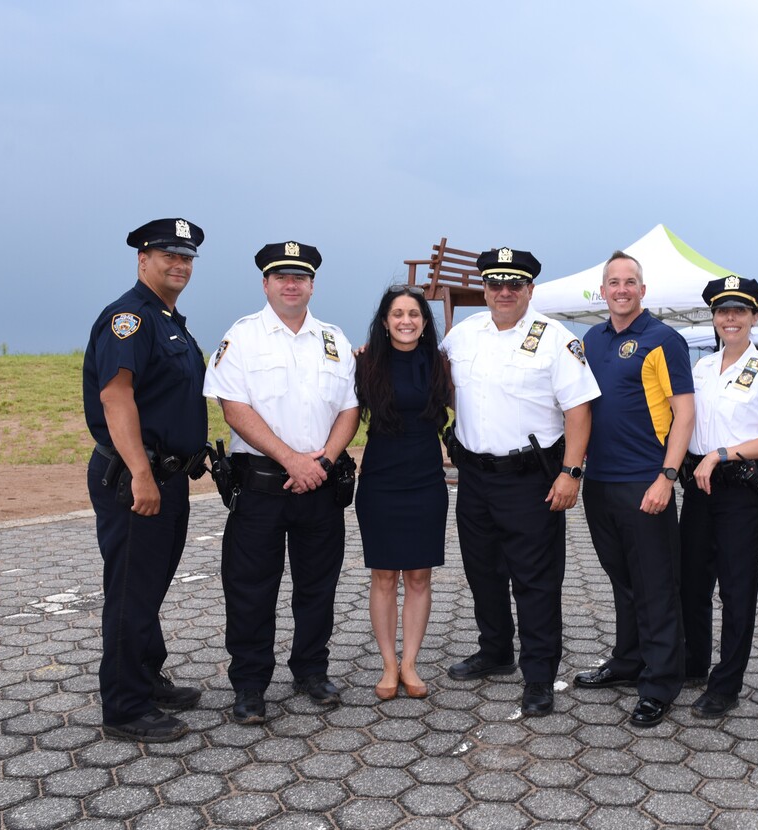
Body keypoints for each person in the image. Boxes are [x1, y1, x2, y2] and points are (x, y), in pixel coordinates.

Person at [203, 241, 359, 724]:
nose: (291, 284)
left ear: (312, 284)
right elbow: (234, 409)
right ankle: (250, 684)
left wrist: (324, 462)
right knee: (251, 590)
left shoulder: (332, 339)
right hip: (261, 488)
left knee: (318, 588)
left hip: (319, 487)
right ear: (266, 283)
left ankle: (311, 670)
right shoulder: (243, 338)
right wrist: (293, 460)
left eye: (300, 277)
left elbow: (350, 409)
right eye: (281, 277)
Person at [441, 246, 600, 717]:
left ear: (530, 289)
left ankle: (539, 674)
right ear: (484, 289)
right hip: (473, 476)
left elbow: (578, 410)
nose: (504, 292)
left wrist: (572, 472)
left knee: (535, 581)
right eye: (495, 284)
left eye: (515, 285)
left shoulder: (555, 338)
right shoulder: (461, 336)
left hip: (532, 479)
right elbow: (433, 382)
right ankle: (495, 651)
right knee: (482, 572)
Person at [83, 218, 209, 742]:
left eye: (186, 258)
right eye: (167, 256)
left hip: (166, 475)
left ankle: (146, 676)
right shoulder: (129, 319)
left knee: (149, 587)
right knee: (131, 591)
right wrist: (140, 474)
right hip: (135, 477)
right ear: (142, 259)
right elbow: (116, 397)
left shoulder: (167, 320)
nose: (178, 265)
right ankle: (125, 707)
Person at [573, 251, 694, 728]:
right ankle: (627, 661)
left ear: (643, 290)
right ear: (602, 291)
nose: (621, 289)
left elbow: (684, 413)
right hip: (599, 482)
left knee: (657, 586)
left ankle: (661, 683)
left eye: (630, 282)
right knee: (623, 581)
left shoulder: (664, 340)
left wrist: (667, 476)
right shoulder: (591, 339)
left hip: (646, 482)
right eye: (613, 282)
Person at [679, 276, 758, 719]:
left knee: (736, 590)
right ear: (713, 317)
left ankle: (725, 684)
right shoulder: (701, 368)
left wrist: (721, 454)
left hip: (741, 492)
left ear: (753, 318)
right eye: (723, 311)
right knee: (691, 583)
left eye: (740, 311)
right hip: (698, 487)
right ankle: (692, 666)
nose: (730, 318)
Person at [355, 285, 449, 700]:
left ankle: (410, 663)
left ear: (425, 322)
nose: (406, 320)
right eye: (397, 314)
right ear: (384, 320)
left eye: (414, 313)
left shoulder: (441, 363)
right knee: (383, 575)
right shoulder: (365, 363)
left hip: (426, 478)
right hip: (380, 479)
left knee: (418, 575)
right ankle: (388, 666)